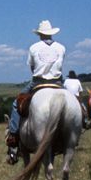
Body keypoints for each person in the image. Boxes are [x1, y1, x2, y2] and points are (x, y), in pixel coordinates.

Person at [6, 19, 66, 148]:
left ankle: (13, 133)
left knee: (16, 103)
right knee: (75, 100)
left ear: (39, 34)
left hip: (38, 82)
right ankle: (81, 123)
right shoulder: (61, 47)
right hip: (58, 82)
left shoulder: (33, 47)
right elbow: (60, 66)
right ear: (51, 33)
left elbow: (32, 68)